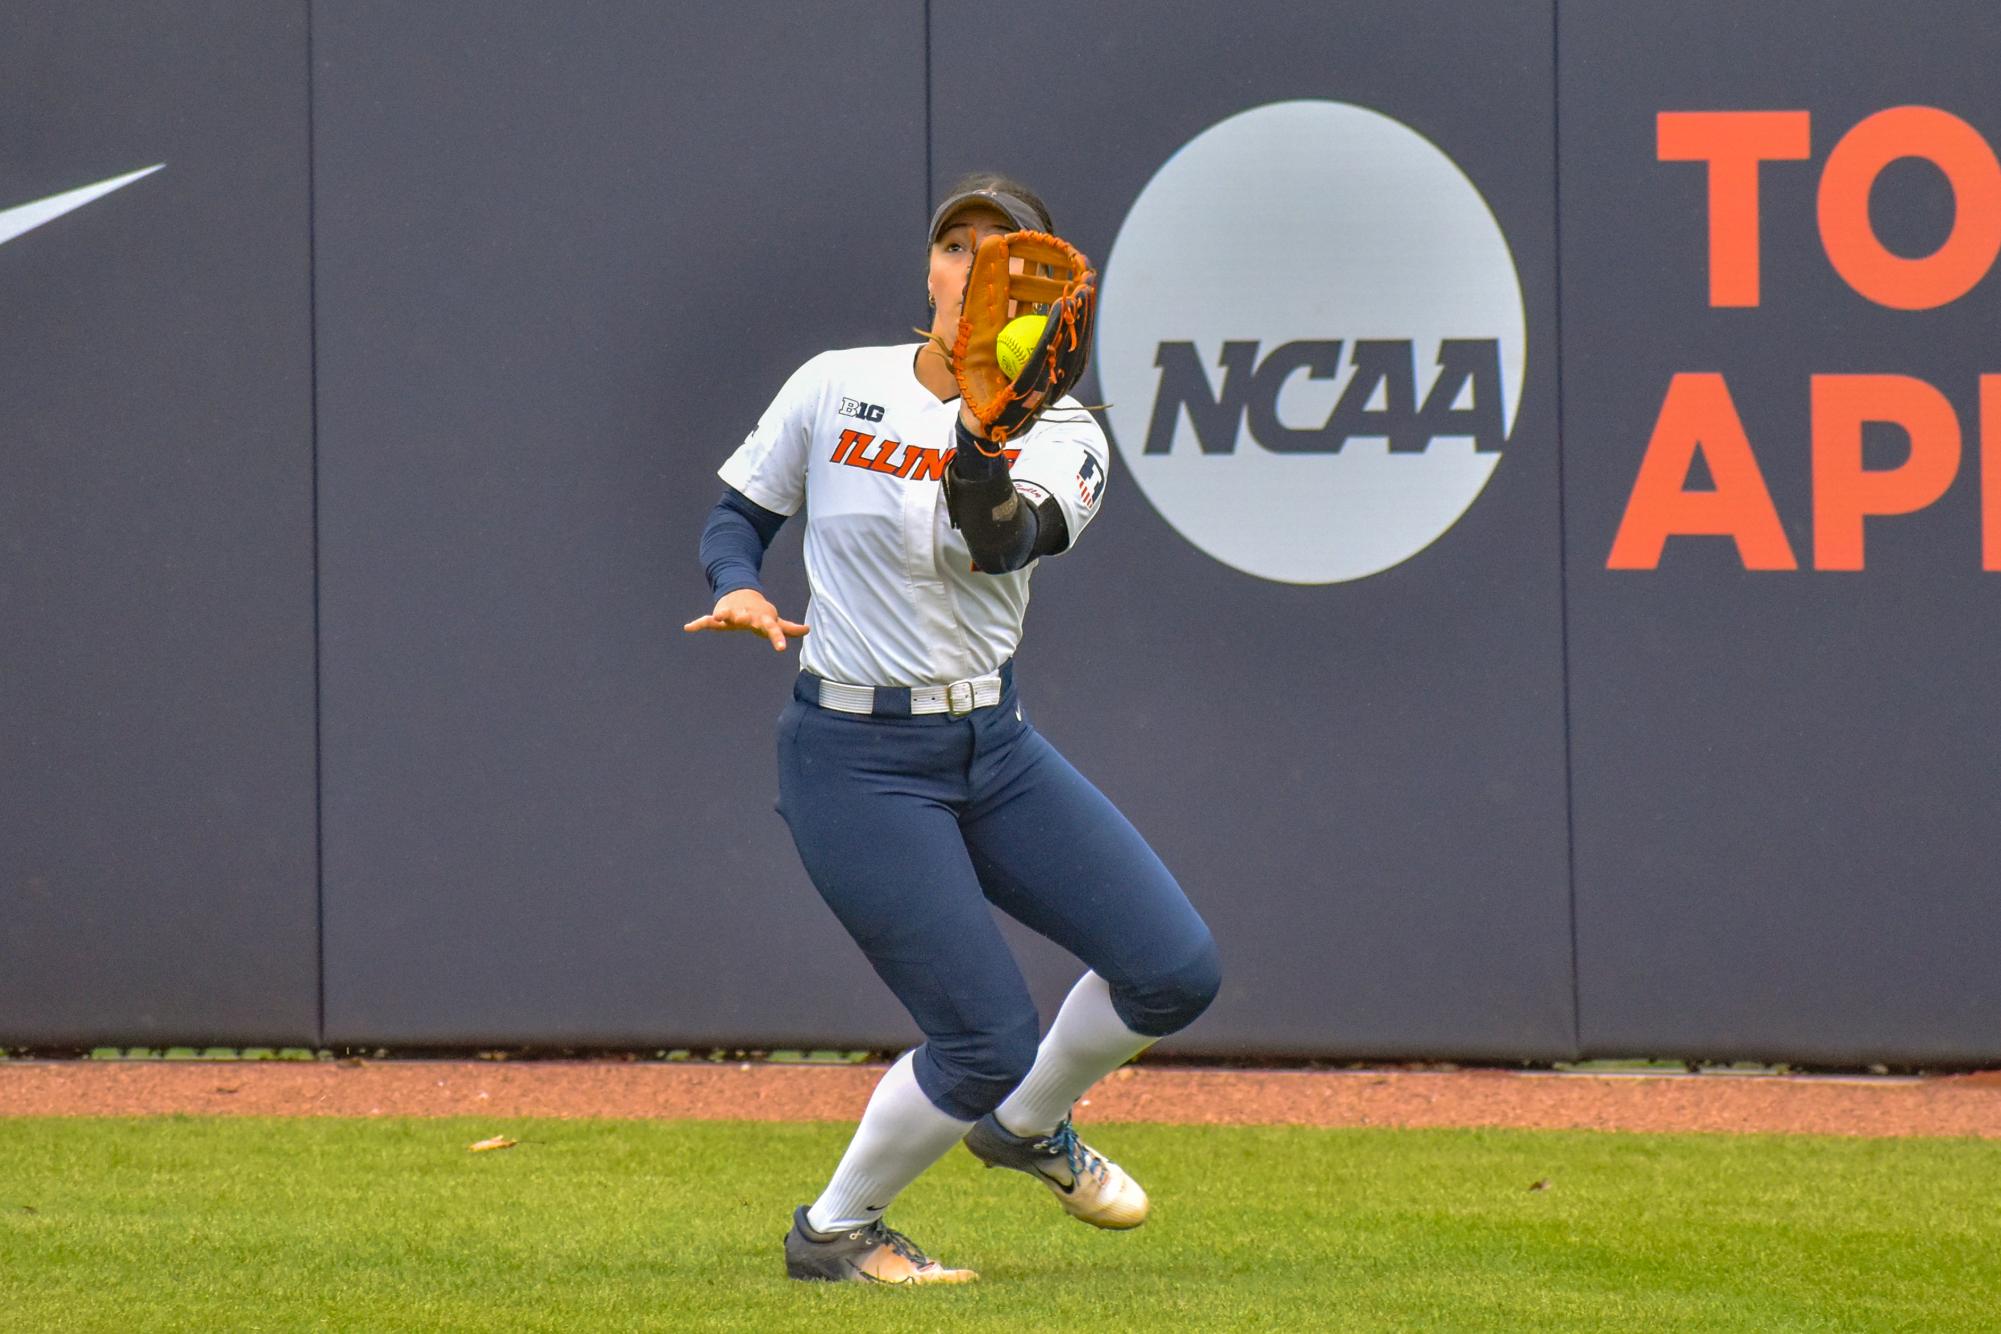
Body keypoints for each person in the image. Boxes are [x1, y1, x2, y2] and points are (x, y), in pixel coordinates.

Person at [685, 172, 1221, 1285]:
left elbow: (997, 539)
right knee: (982, 1035)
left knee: (1173, 971)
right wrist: (736, 582)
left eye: (1003, 250)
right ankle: (834, 1232)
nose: (971, 266)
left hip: (992, 746)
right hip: (853, 757)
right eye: (953, 245)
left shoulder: (1064, 431)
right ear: (928, 272)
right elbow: (738, 514)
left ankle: (1024, 1125)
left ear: (1045, 293)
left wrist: (984, 432)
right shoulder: (837, 383)